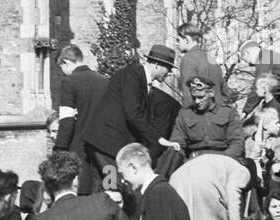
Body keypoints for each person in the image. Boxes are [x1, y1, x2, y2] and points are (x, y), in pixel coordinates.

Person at [87, 45, 181, 182]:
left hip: (114, 147)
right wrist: (158, 139)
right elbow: (133, 113)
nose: (170, 72)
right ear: (156, 64)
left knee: (116, 189)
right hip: (106, 146)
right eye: (168, 67)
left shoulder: (140, 79)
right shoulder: (131, 75)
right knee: (113, 189)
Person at [54, 45, 110, 193]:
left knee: (80, 194)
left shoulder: (69, 82)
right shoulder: (104, 81)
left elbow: (67, 121)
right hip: (102, 149)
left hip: (78, 150)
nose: (63, 74)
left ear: (66, 63)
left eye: (61, 69)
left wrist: (59, 149)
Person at [172, 76, 245, 159]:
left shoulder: (228, 112)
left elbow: (237, 142)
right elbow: (177, 143)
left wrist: (224, 159)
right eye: (194, 98)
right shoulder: (185, 114)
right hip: (195, 160)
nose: (197, 101)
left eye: (201, 97)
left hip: (223, 158)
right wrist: (184, 161)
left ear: (211, 93)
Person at [176, 23, 224, 102]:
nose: (177, 44)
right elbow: (225, 91)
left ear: (187, 39)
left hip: (198, 112)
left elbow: (187, 95)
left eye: (178, 40)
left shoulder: (187, 59)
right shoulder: (211, 59)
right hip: (218, 110)